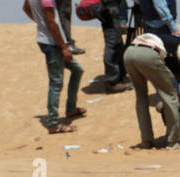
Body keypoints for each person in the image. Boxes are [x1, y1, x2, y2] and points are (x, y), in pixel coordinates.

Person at [123, 28, 180, 148]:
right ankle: (174, 141)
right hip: (149, 53)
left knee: (141, 98)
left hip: (130, 52)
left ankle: (146, 141)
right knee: (171, 97)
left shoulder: (170, 42)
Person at [24, 0, 85, 134]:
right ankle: (52, 124)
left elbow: (26, 8)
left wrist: (40, 23)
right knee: (56, 82)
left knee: (77, 70)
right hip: (52, 44)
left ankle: (71, 108)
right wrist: (64, 47)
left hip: (48, 40)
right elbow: (51, 21)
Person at [97, 0, 132, 90]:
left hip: (112, 13)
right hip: (110, 14)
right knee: (112, 46)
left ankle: (119, 75)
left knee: (118, 44)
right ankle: (112, 81)